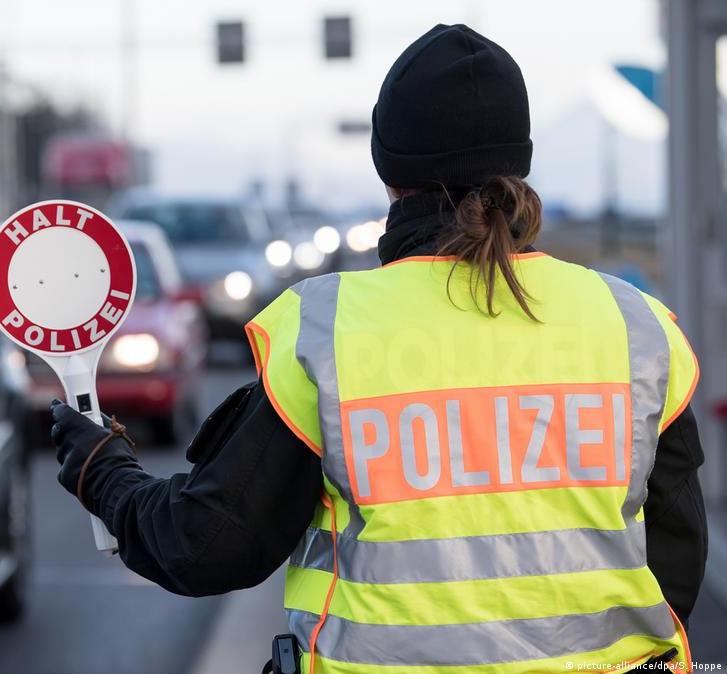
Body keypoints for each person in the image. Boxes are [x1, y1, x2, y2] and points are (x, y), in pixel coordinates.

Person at [49, 24, 706, 674]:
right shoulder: (634, 327)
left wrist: (102, 473)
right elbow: (675, 562)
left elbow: (205, 548)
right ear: (519, 163)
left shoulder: (325, 333)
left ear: (389, 171)